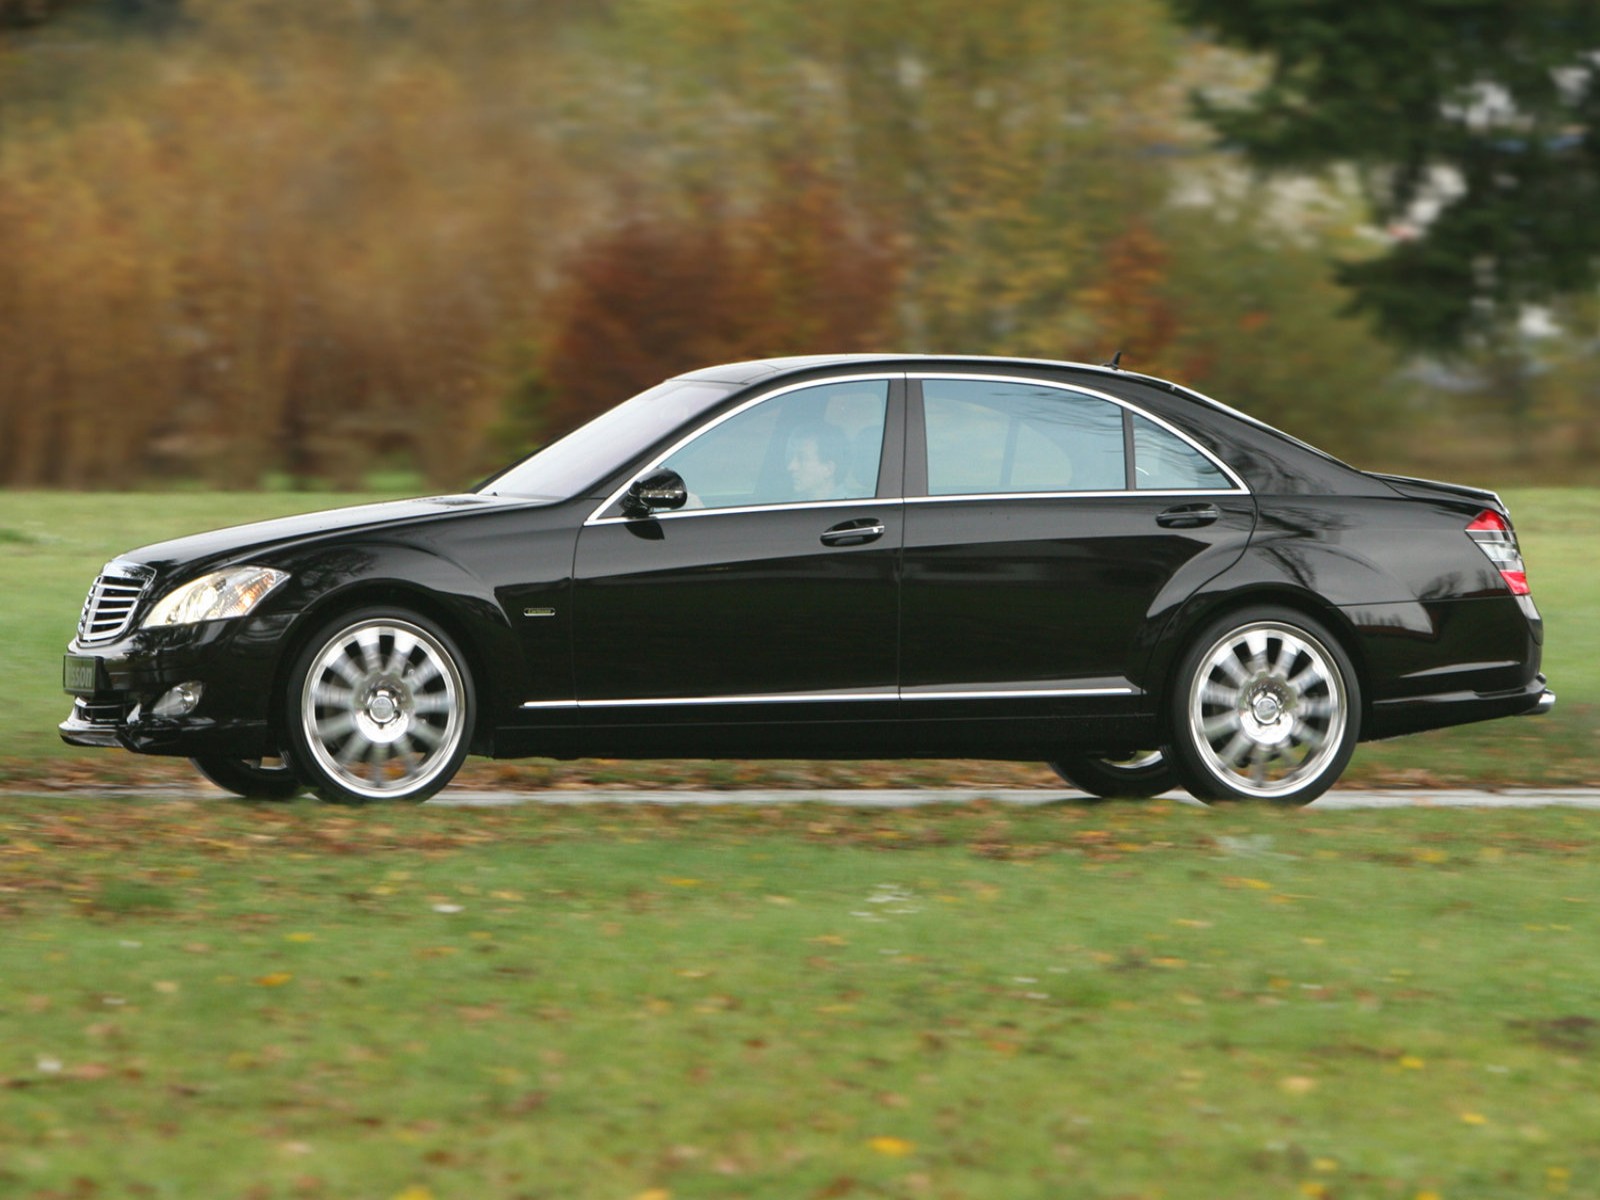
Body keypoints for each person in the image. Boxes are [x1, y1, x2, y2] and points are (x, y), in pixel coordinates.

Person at [785, 422, 852, 501]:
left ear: (828, 469)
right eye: (792, 457)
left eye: (802, 458)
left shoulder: (853, 510)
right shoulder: (793, 504)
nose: (790, 467)